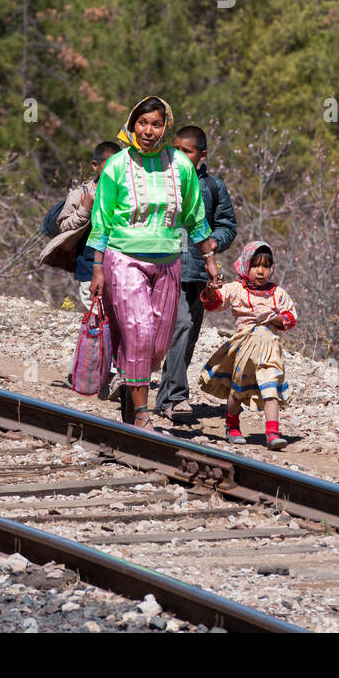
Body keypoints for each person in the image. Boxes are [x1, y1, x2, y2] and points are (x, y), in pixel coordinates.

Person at [87, 95, 219, 433]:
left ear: (166, 127)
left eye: (156, 124)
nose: (148, 130)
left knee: (158, 345)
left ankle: (131, 394)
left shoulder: (181, 166)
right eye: (142, 123)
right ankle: (143, 413)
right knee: (140, 332)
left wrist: (209, 258)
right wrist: (98, 267)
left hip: (169, 263)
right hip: (124, 259)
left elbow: (195, 215)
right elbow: (101, 220)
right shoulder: (117, 166)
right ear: (132, 125)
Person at [155, 125, 237, 422]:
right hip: (163, 267)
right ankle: (175, 396)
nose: (179, 156)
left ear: (201, 155)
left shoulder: (213, 187)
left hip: (198, 273)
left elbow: (227, 225)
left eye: (186, 151)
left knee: (186, 334)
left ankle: (165, 400)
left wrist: (215, 241)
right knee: (180, 328)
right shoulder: (160, 182)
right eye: (174, 149)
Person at [198, 241, 297, 450]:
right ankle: (232, 425)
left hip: (270, 348)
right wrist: (209, 292)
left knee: (271, 386)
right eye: (255, 266)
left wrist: (275, 319)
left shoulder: (277, 293)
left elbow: (290, 316)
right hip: (245, 347)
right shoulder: (236, 289)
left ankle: (272, 432)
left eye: (266, 266)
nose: (261, 271)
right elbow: (215, 302)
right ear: (245, 266)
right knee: (238, 389)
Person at [56, 141, 122, 395]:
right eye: (109, 165)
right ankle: (93, 370)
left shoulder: (124, 190)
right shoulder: (83, 193)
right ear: (95, 166)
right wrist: (84, 211)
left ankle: (110, 371)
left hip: (117, 265)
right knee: (96, 317)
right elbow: (63, 226)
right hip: (89, 267)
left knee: (115, 317)